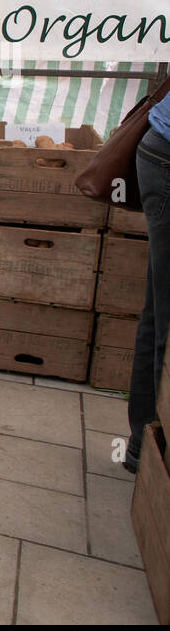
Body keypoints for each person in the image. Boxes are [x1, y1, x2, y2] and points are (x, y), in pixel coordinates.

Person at [126, 95, 170, 472]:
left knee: (160, 312)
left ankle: (143, 446)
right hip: (166, 157)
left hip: (160, 148)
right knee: (165, 320)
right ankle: (157, 452)